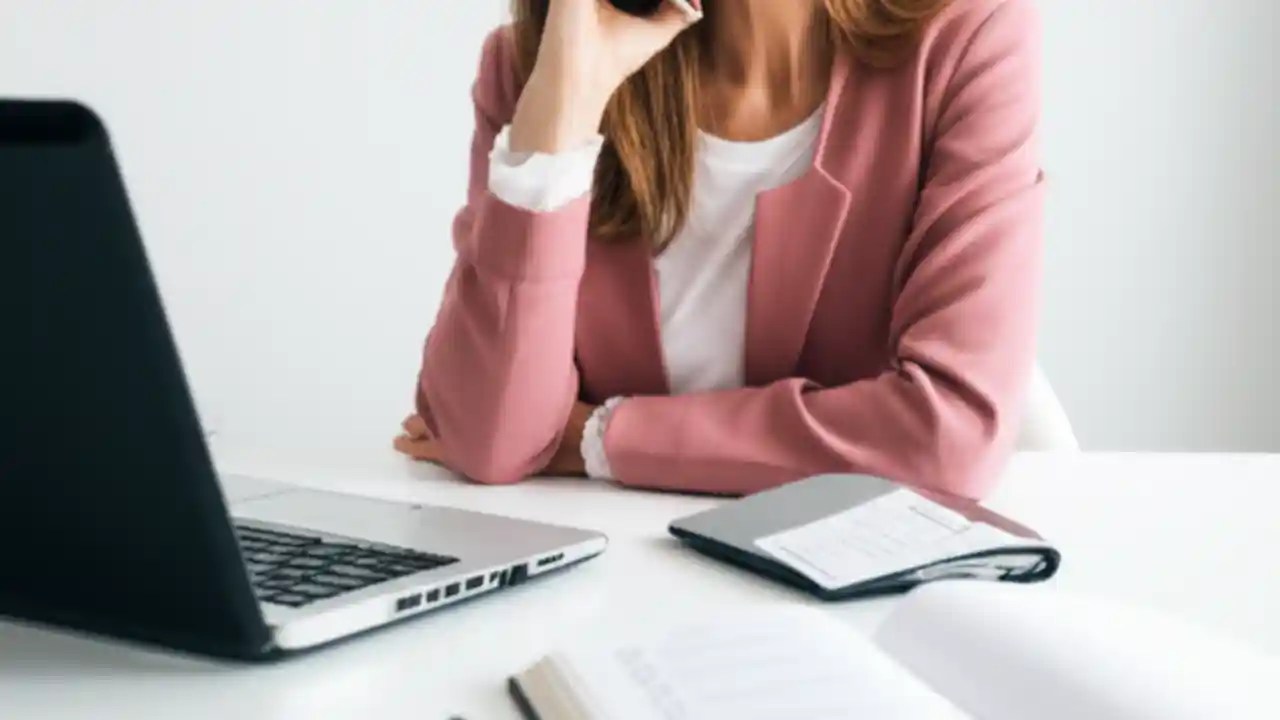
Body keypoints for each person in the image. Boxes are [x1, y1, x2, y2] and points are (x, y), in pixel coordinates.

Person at [394, 0, 1044, 500]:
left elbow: (947, 438)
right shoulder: (546, 61)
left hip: (850, 591)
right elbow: (489, 439)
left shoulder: (966, 37)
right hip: (611, 583)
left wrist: (602, 437)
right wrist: (566, 101)